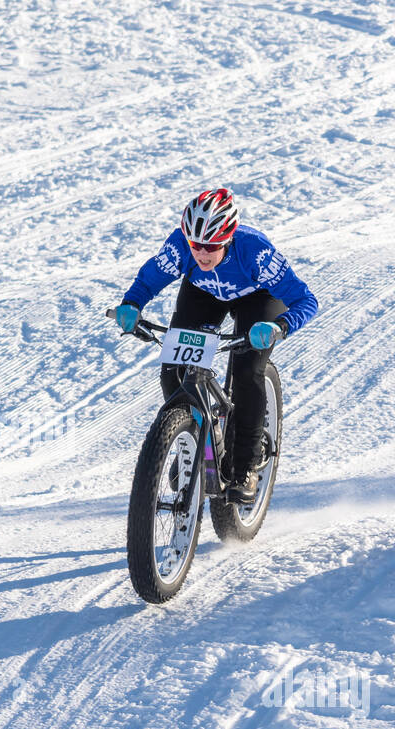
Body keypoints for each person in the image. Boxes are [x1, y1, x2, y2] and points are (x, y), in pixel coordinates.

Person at [112, 188, 318, 502]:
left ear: (228, 238)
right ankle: (188, 445)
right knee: (174, 371)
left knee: (248, 371)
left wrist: (279, 326)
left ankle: (245, 465)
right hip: (202, 293)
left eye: (211, 246)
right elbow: (151, 277)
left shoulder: (256, 251)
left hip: (258, 298)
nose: (202, 253)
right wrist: (131, 303)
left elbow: (306, 300)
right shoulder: (181, 245)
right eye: (196, 245)